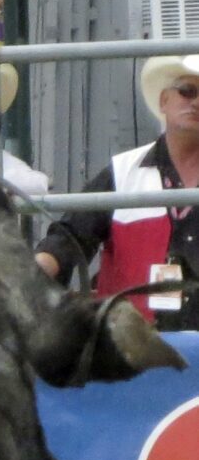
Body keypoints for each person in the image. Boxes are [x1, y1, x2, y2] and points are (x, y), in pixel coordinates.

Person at [35, 54, 199, 331]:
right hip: (128, 352)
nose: (195, 102)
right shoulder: (123, 170)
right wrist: (40, 268)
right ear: (164, 101)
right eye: (187, 91)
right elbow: (73, 234)